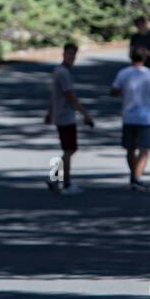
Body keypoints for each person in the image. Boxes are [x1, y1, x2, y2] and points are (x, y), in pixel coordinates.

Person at [111, 46, 150, 190]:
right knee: (144, 149)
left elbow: (113, 91)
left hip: (128, 115)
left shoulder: (123, 74)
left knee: (130, 149)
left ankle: (133, 175)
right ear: (145, 58)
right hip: (145, 117)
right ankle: (137, 177)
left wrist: (124, 92)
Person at [44, 43, 94, 195]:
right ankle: (64, 182)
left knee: (70, 149)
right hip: (65, 116)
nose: (71, 58)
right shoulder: (63, 73)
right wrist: (85, 114)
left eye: (74, 55)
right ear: (63, 54)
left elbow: (54, 95)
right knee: (69, 149)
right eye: (69, 54)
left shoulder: (59, 71)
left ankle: (56, 177)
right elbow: (69, 95)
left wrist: (50, 112)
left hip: (62, 114)